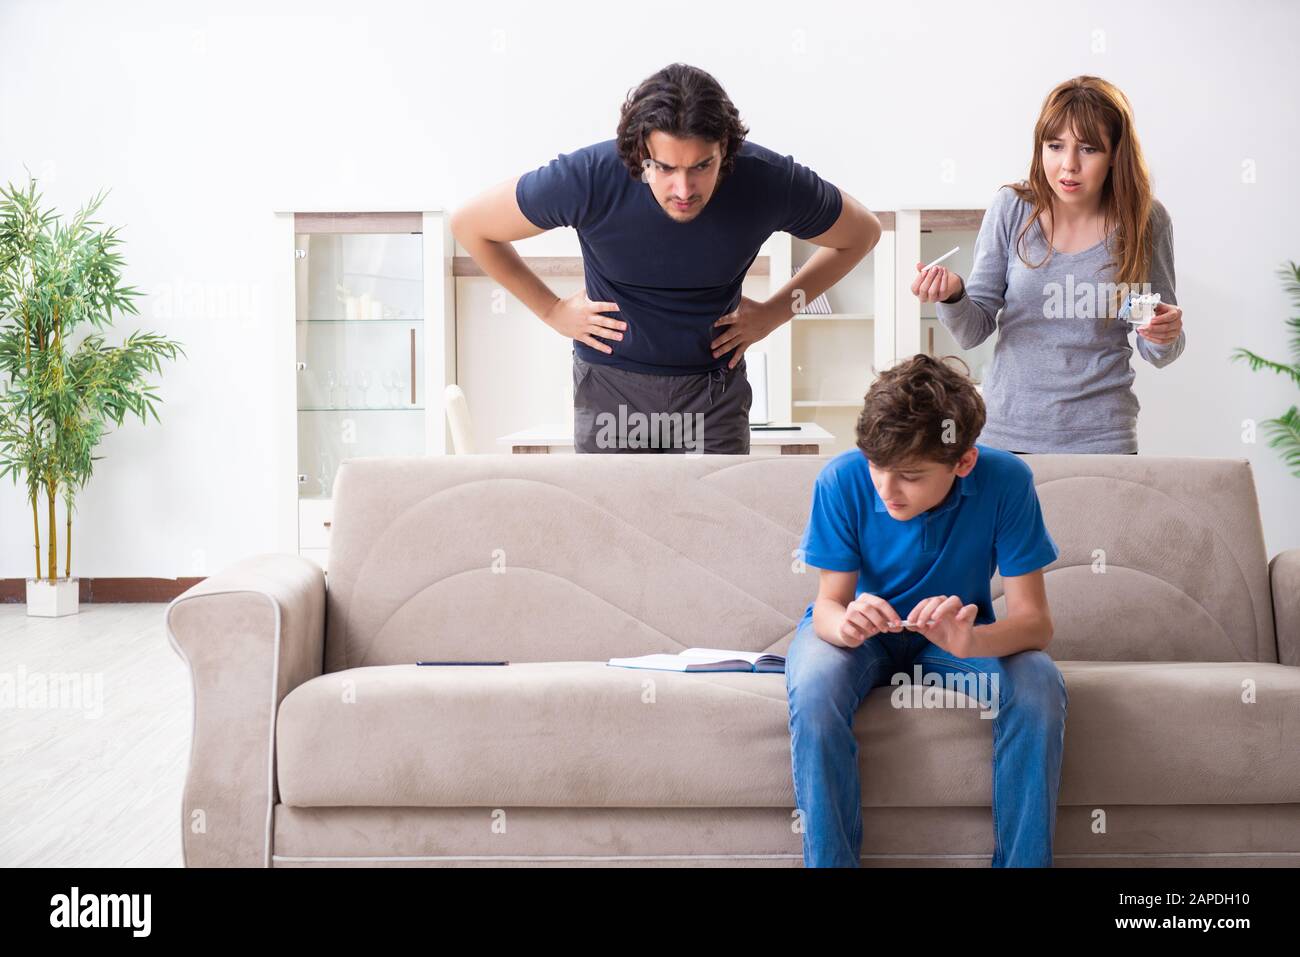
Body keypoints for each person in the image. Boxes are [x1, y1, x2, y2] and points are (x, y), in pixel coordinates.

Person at [451, 62, 881, 453]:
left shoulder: (767, 180)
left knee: (715, 532)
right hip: (610, 389)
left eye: (701, 166)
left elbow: (861, 234)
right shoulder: (588, 177)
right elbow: (471, 225)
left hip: (713, 393)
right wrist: (551, 310)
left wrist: (775, 313)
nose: (683, 189)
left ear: (725, 149)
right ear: (640, 153)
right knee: (616, 531)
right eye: (665, 168)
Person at [785, 353, 1067, 867]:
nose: (887, 491)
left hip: (957, 639)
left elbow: (1035, 623)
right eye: (877, 468)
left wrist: (973, 642)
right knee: (815, 686)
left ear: (963, 462)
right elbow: (828, 605)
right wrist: (846, 627)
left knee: (1038, 685)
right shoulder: (840, 479)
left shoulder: (1007, 482)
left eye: (910, 476)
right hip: (858, 637)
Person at [910, 75, 1185, 455]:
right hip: (1007, 435)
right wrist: (954, 295)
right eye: (1055, 146)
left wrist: (1163, 332)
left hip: (1102, 440)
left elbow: (1158, 348)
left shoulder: (1145, 221)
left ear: (1115, 155)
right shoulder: (1011, 207)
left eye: (1089, 149)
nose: (1068, 166)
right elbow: (973, 331)